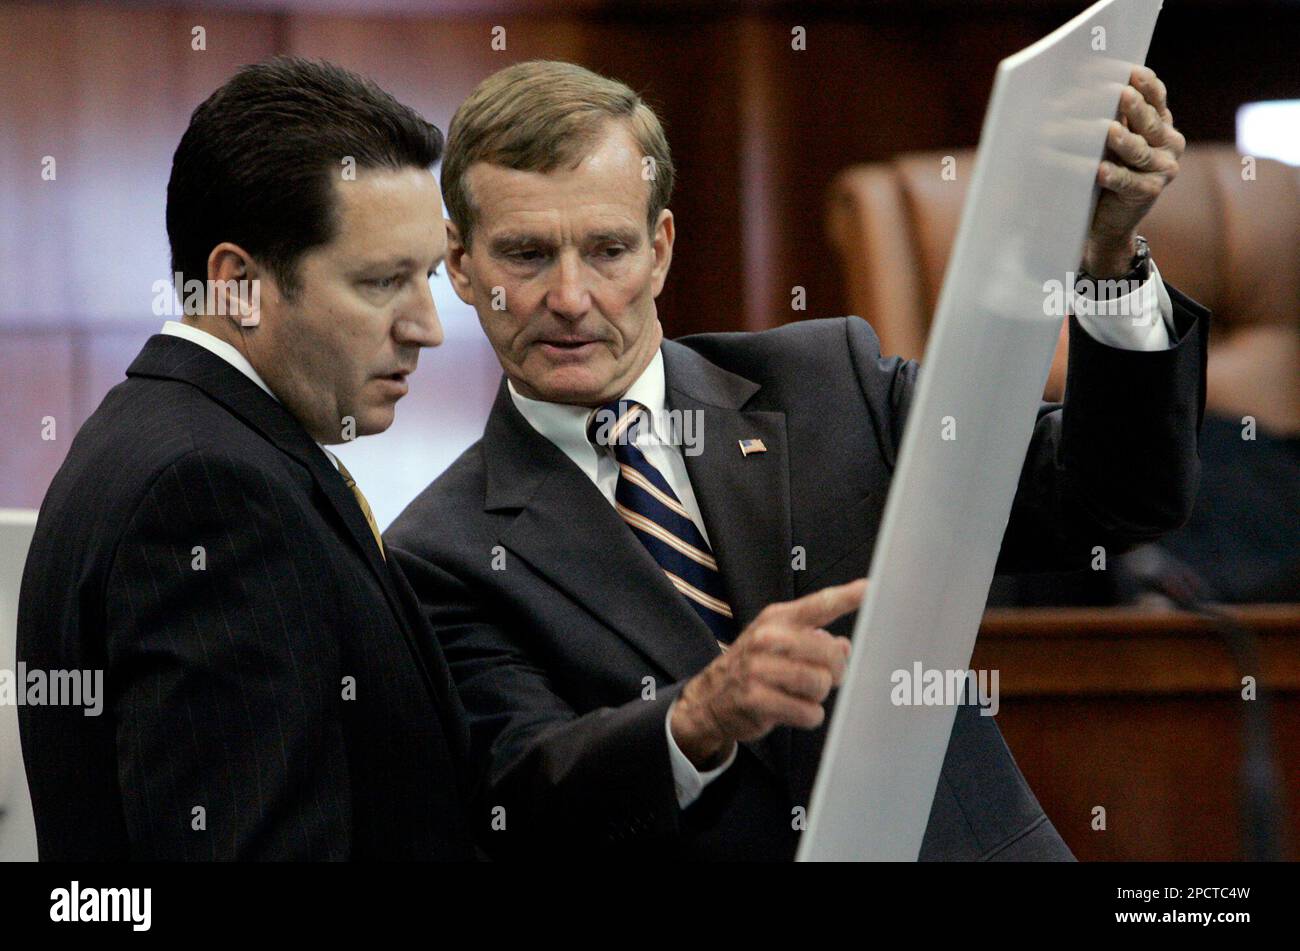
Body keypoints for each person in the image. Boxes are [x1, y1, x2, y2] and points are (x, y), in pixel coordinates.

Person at [387, 60, 1209, 860]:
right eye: (527, 255)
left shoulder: (828, 382)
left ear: (661, 247)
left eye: (607, 250)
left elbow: (1113, 500)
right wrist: (697, 716)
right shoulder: (443, 552)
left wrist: (1107, 260)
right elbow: (525, 799)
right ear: (461, 263)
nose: (570, 298)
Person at [18, 57, 475, 860]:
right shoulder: (208, 492)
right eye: (382, 282)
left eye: (429, 276)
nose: (428, 326)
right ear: (237, 285)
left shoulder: (175, 438)